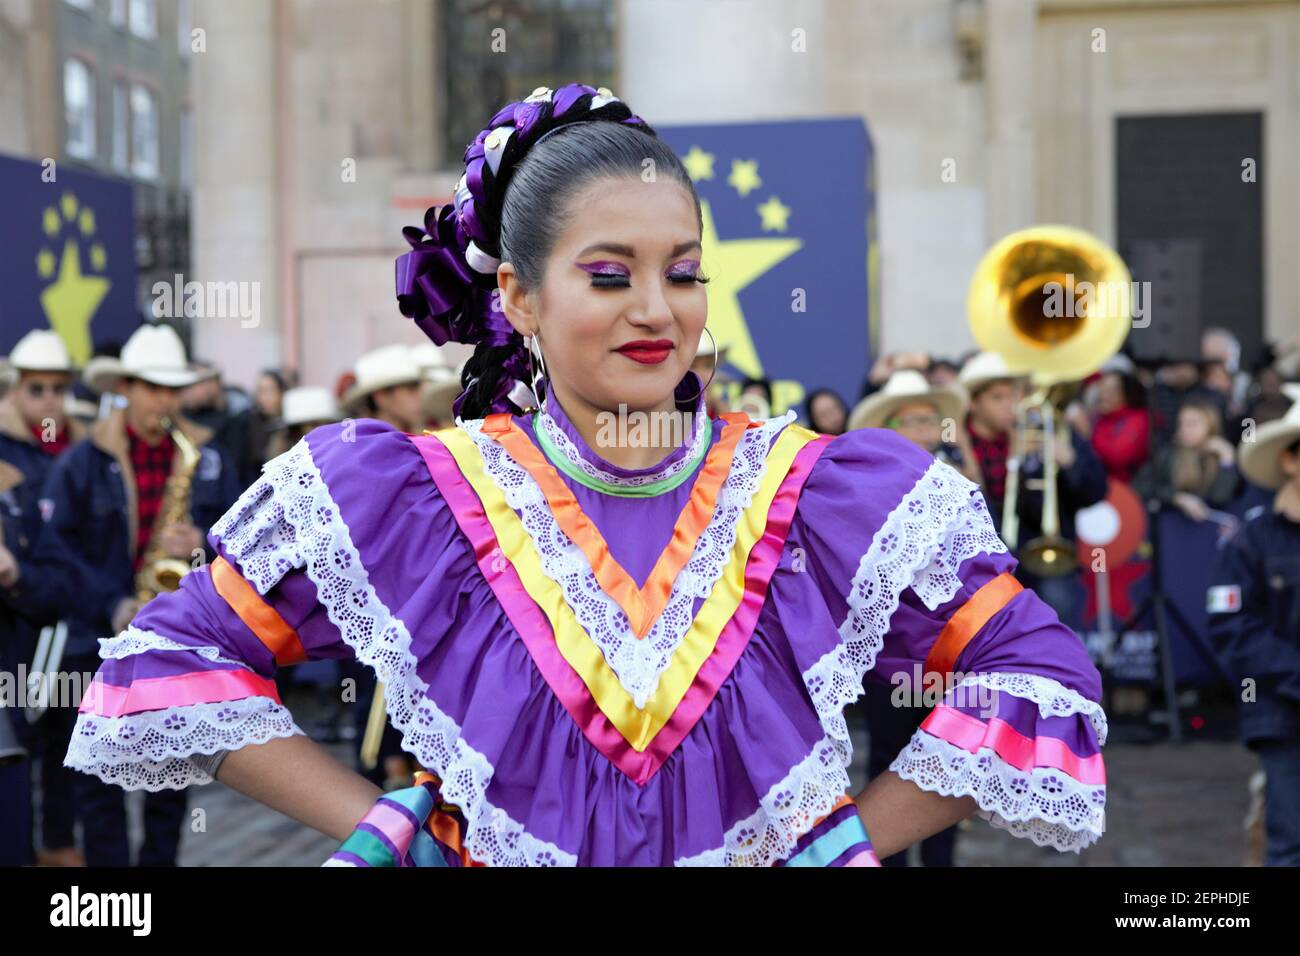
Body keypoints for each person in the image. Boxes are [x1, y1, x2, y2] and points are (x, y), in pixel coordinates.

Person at [62, 84, 1109, 867]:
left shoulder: (822, 493)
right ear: (517, 296)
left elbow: (1039, 671)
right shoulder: (405, 496)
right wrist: (381, 824)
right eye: (608, 275)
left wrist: (849, 842)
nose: (658, 309)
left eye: (684, 271)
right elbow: (166, 660)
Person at [37, 323, 241, 867]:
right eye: (153, 388)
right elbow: (55, 552)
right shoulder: (81, 462)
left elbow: (246, 540)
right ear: (126, 387)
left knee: (170, 783)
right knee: (98, 788)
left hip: (175, 645)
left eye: (173, 390)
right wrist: (112, 604)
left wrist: (205, 541)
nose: (164, 402)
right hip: (98, 641)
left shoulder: (207, 458)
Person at [1208, 394, 1300, 865]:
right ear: (1289, 459)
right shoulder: (1251, 539)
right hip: (1283, 717)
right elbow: (1232, 629)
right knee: (1289, 845)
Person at [0, 331, 80, 867]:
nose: (48, 398)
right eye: (36, 388)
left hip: (72, 615)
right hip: (17, 627)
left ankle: (58, 846)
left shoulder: (86, 447)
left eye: (57, 387)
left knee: (68, 748)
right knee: (15, 751)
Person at [961, 351, 1107, 632]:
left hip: (1046, 560)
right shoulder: (958, 444)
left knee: (1055, 625)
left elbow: (1096, 491)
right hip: (982, 568)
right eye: (997, 397)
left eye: (1014, 395)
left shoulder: (1047, 428)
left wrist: (1070, 462)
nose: (1010, 405)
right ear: (973, 403)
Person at [1133, 399, 1239, 523]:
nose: (1185, 429)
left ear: (1210, 426)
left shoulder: (1219, 456)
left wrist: (1226, 461)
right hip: (1174, 525)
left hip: (1209, 529)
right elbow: (1141, 486)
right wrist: (1177, 498)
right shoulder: (1169, 453)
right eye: (1181, 423)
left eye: (1192, 424)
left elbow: (1220, 498)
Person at [1077, 365, 1150, 484]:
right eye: (1102, 389)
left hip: (1122, 490)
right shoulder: (1099, 416)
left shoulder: (1138, 419)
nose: (1103, 396)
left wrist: (1087, 432)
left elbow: (1118, 457)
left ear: (1127, 393)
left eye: (1111, 391)